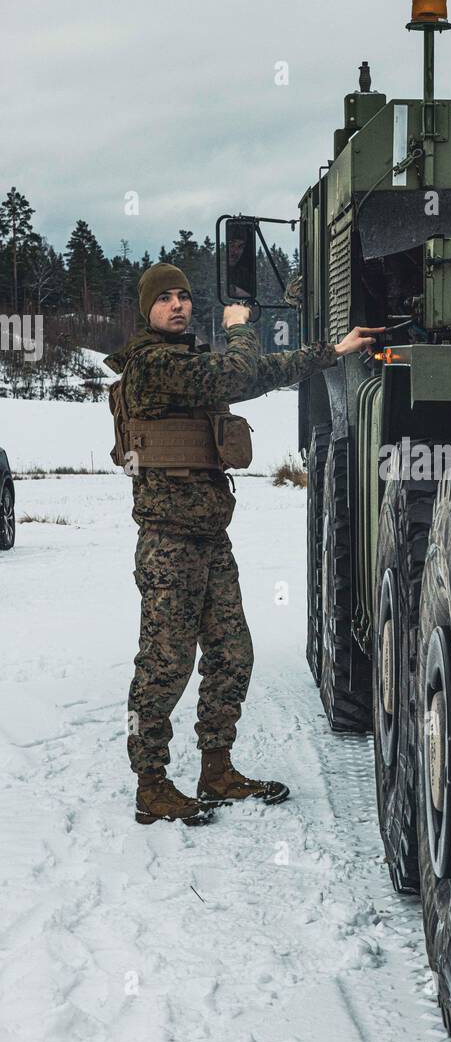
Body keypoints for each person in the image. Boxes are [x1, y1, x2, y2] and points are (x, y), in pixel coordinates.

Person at [105, 261, 381, 826]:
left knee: (232, 656)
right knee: (164, 664)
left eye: (184, 296)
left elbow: (257, 375)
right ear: (147, 310)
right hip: (168, 543)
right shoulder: (152, 364)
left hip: (209, 539)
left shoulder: (189, 364)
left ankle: (216, 769)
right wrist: (238, 327)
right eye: (166, 300)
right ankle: (151, 784)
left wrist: (333, 350)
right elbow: (234, 373)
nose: (178, 305)